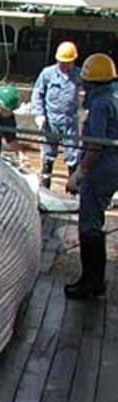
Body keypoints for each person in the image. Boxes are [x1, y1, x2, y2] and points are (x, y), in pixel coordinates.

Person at [63, 53, 117, 299]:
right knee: (95, 221)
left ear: (91, 82)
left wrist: (80, 173)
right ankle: (94, 281)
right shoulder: (113, 97)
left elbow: (95, 144)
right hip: (112, 166)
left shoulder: (100, 103)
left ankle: (91, 283)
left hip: (101, 168)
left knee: (89, 224)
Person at [32, 41, 81, 190]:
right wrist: (39, 114)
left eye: (69, 62)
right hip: (51, 120)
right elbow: (37, 94)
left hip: (70, 120)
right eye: (63, 62)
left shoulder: (79, 75)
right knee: (48, 155)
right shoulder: (47, 74)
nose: (65, 65)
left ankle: (72, 189)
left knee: (73, 156)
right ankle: (45, 188)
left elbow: (91, 92)